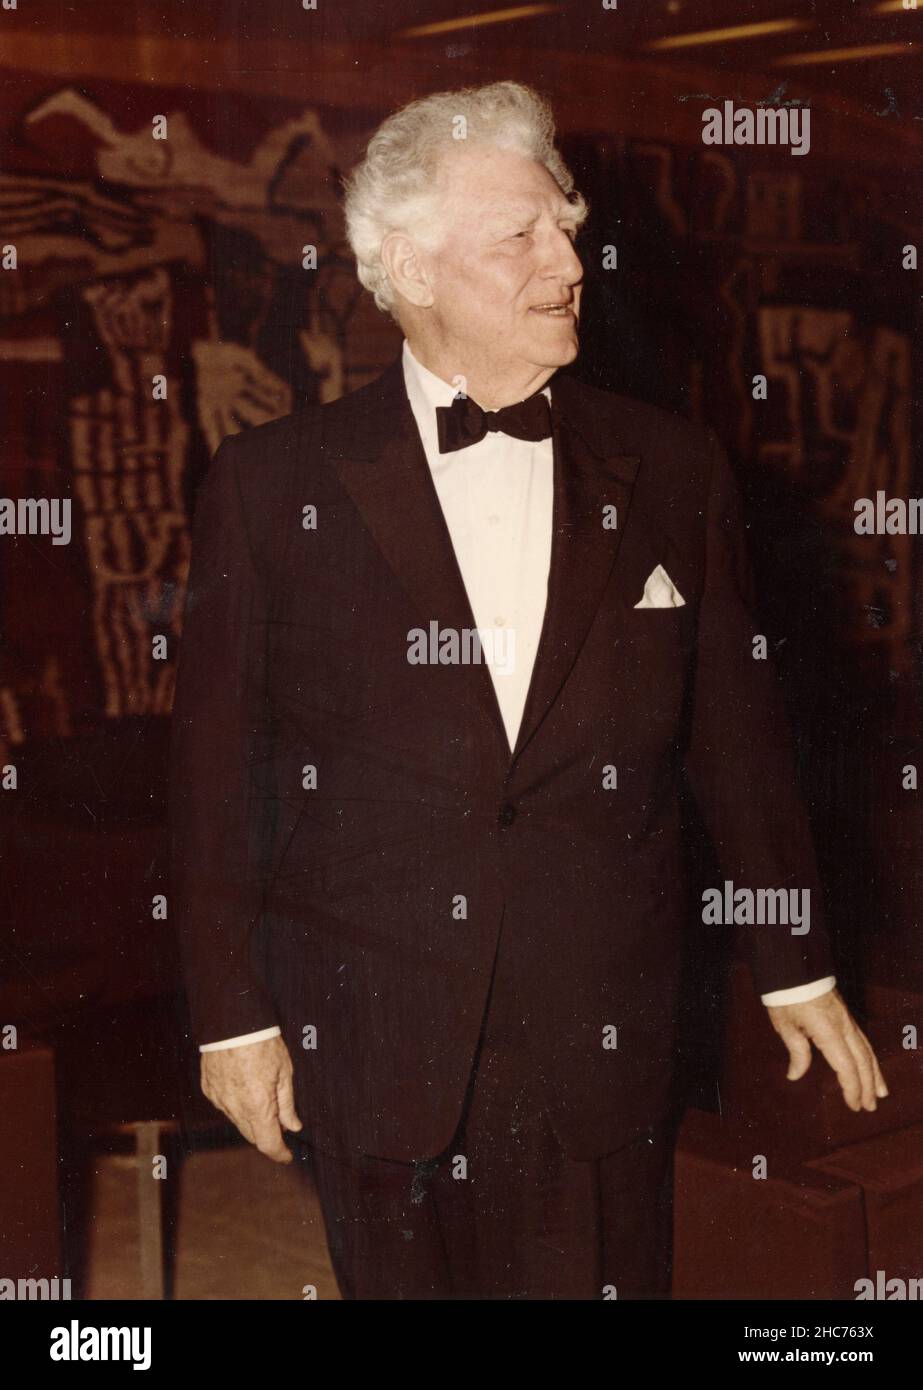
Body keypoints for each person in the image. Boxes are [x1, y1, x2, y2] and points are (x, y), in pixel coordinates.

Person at [168, 81, 887, 1300]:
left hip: (597, 1024)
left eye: (568, 224)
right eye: (523, 235)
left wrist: (793, 961)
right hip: (375, 1028)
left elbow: (736, 739)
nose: (569, 260)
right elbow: (212, 769)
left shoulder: (669, 468)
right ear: (409, 267)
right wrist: (228, 1014)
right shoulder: (270, 483)